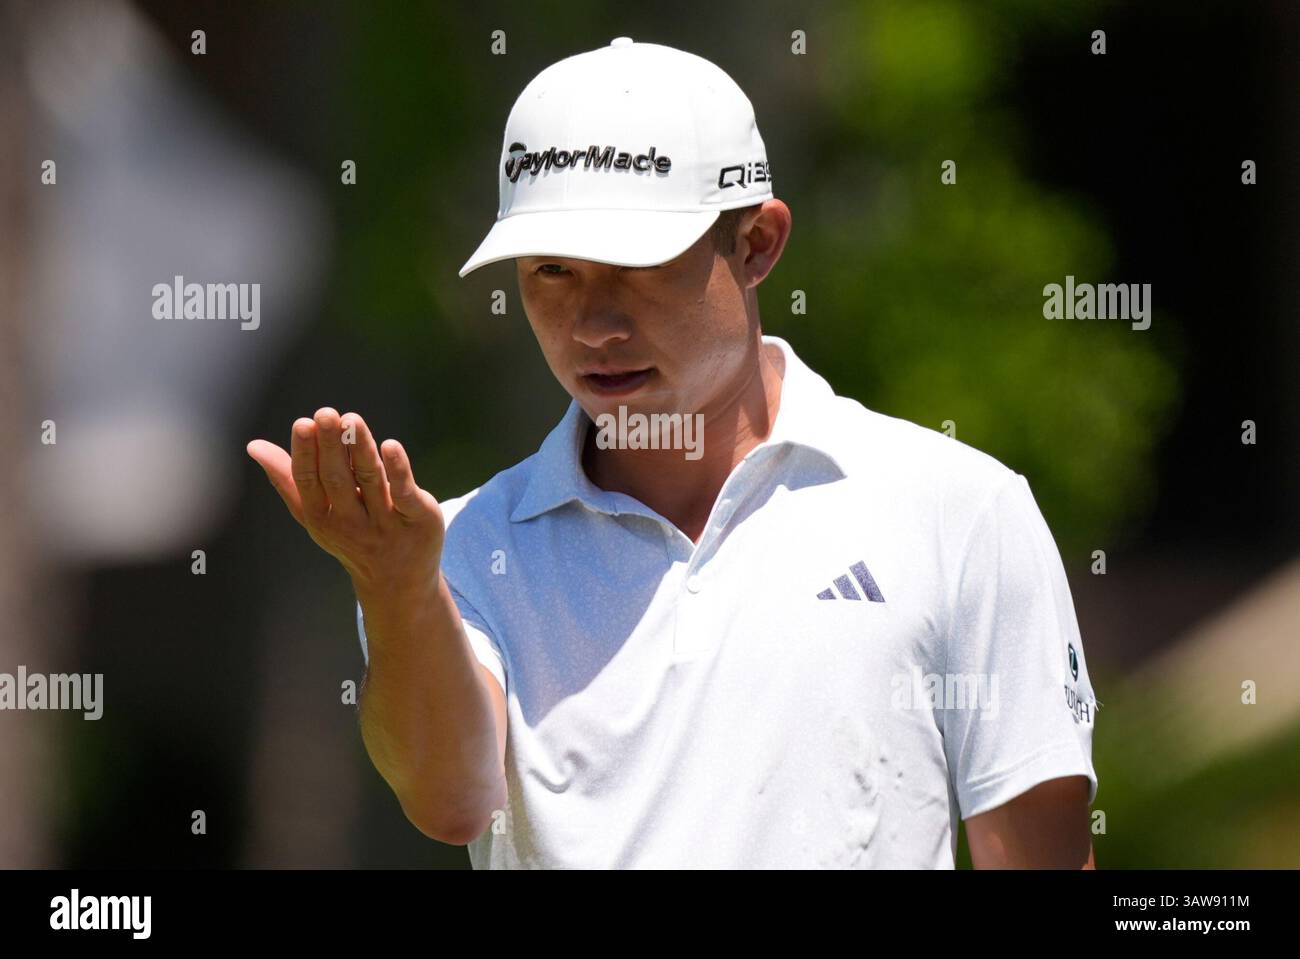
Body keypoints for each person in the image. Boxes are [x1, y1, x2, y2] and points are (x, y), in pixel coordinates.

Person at [246, 38, 1100, 868]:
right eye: (551, 271)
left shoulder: (957, 509)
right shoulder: (460, 549)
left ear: (758, 245)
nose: (594, 323)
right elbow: (452, 800)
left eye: (637, 263)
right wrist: (394, 584)